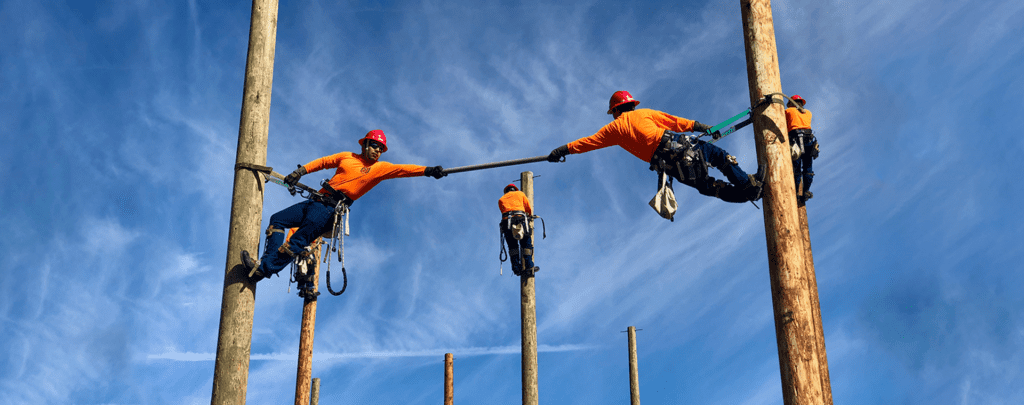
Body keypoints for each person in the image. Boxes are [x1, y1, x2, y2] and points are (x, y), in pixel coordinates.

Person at [241, 129, 447, 297]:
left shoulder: (379, 168)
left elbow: (404, 169)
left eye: (381, 149)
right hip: (315, 200)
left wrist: (429, 171)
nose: (378, 151)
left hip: (329, 210)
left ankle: (263, 270)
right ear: (365, 144)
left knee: (295, 243)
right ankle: (264, 261)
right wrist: (300, 171)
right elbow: (322, 162)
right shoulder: (346, 157)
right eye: (375, 145)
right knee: (277, 220)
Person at [546, 90, 764, 203]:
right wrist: (703, 128)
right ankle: (749, 185)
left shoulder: (612, 131)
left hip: (669, 166)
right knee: (719, 157)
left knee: (708, 186)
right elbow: (676, 121)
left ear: (615, 110)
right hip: (680, 148)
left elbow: (586, 143)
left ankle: (746, 195)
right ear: (631, 105)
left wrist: (561, 150)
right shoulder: (644, 113)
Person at [498, 184, 538, 276]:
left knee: (513, 247)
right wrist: (529, 216)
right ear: (514, 189)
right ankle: (529, 267)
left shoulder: (501, 199)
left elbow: (503, 211)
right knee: (526, 244)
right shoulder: (520, 194)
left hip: (507, 224)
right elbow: (528, 207)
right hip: (520, 220)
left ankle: (517, 269)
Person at [785, 94, 817, 202]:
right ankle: (806, 191)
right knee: (808, 168)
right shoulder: (808, 113)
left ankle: (795, 194)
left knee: (796, 170)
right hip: (808, 142)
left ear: (791, 103)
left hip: (796, 142)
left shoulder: (788, 111)